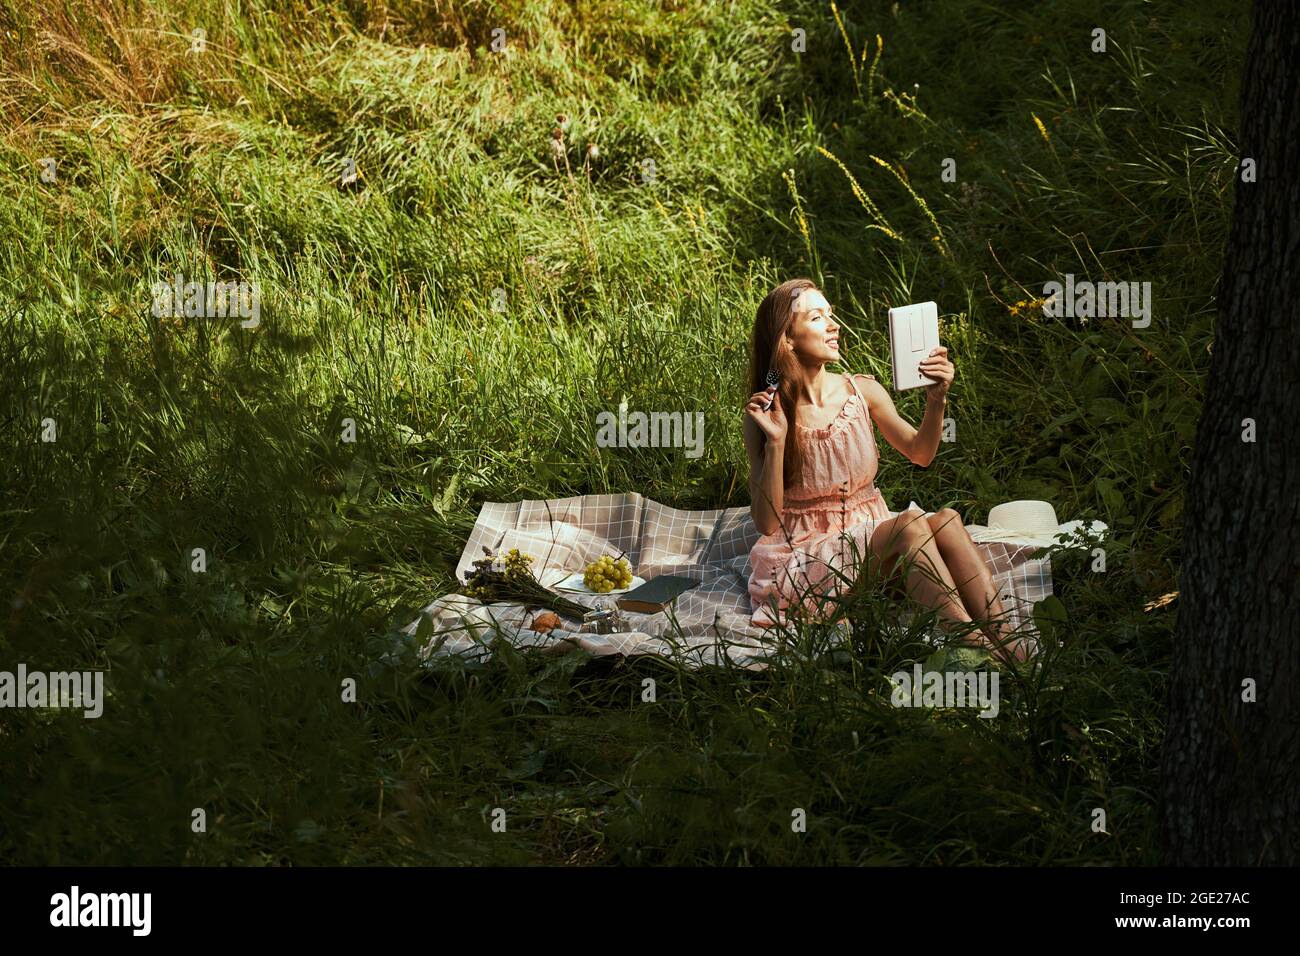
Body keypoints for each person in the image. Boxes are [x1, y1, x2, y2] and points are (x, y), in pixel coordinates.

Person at [742, 278, 1032, 665]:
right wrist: (776, 442)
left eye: (831, 314)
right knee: (910, 524)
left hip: (872, 550)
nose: (834, 325)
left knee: (946, 520)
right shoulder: (767, 413)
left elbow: (921, 454)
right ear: (787, 339)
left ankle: (1008, 640)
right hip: (806, 562)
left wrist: (936, 400)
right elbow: (765, 522)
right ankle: (973, 647)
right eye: (817, 317)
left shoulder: (862, 391)